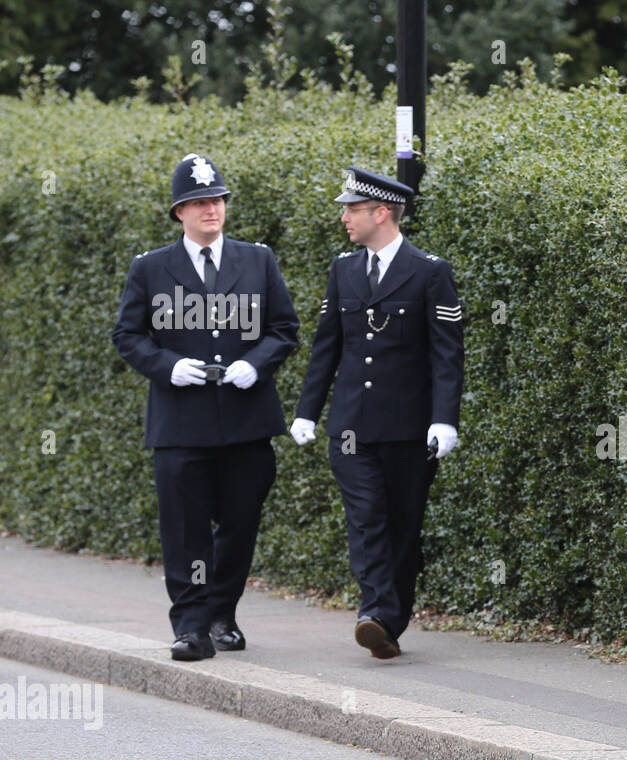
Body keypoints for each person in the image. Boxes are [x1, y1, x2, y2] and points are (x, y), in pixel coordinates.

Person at [112, 153, 300, 661]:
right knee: (185, 528)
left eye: (216, 199)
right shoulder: (150, 268)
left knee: (240, 524)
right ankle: (191, 626)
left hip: (247, 419)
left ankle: (223, 615)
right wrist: (165, 366)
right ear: (180, 212)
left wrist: (257, 363)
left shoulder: (257, 260)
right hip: (180, 422)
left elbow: (285, 330)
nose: (210, 210)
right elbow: (127, 335)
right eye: (198, 202)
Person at [290, 167, 464, 660]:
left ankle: (391, 618)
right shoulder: (344, 269)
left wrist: (444, 419)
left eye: (352, 208)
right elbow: (328, 346)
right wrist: (308, 411)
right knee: (366, 517)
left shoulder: (430, 271)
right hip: (351, 426)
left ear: (381, 213)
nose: (345, 217)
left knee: (403, 523)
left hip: (409, 428)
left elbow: (447, 354)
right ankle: (374, 612)